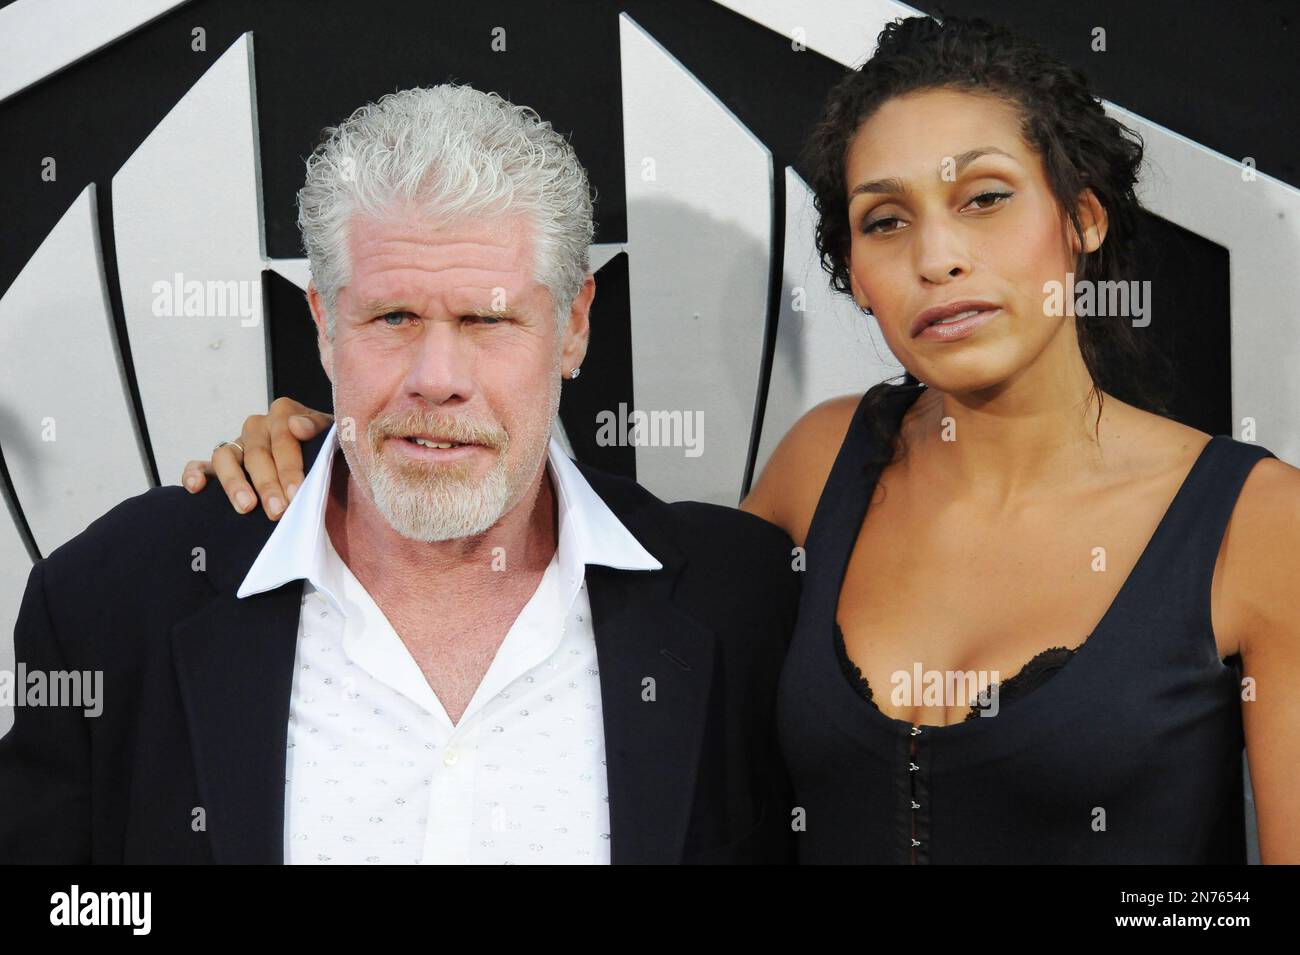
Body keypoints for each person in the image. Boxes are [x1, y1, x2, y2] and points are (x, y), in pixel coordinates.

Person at [193, 16, 1300, 863]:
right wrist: (335, 451)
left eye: (984, 199)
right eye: (884, 220)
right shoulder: (825, 469)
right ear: (855, 276)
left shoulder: (1256, 525)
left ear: (1083, 218)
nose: (938, 258)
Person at [0, 85, 801, 865]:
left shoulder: (740, 606)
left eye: (487, 319)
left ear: (574, 326)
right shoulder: (111, 604)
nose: (436, 377)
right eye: (392, 318)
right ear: (323, 323)